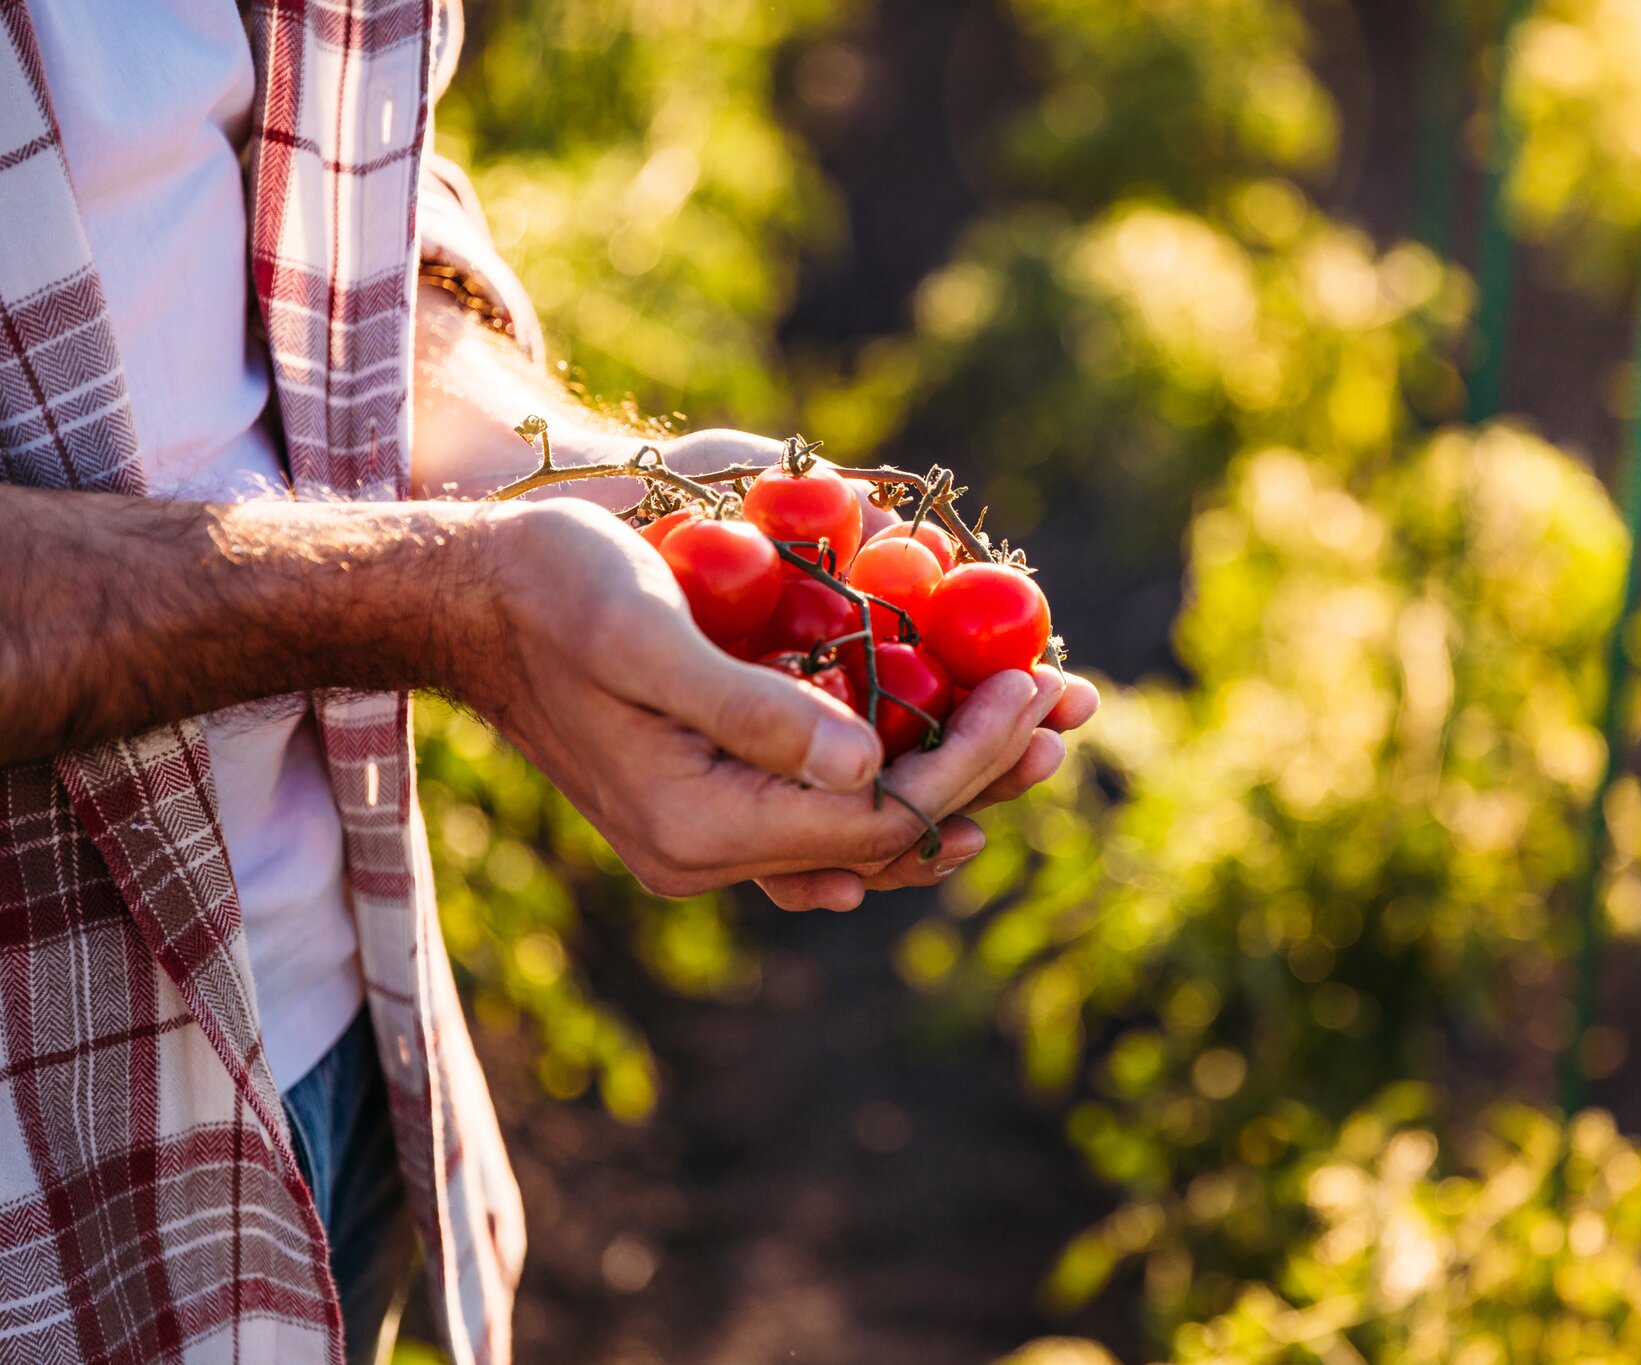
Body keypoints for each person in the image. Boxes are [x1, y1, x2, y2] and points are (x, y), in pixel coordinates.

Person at [0, 3, 1095, 1362]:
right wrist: (450, 601)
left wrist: (551, 469)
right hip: (43, 1181)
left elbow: (312, 197)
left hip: (339, 1037)